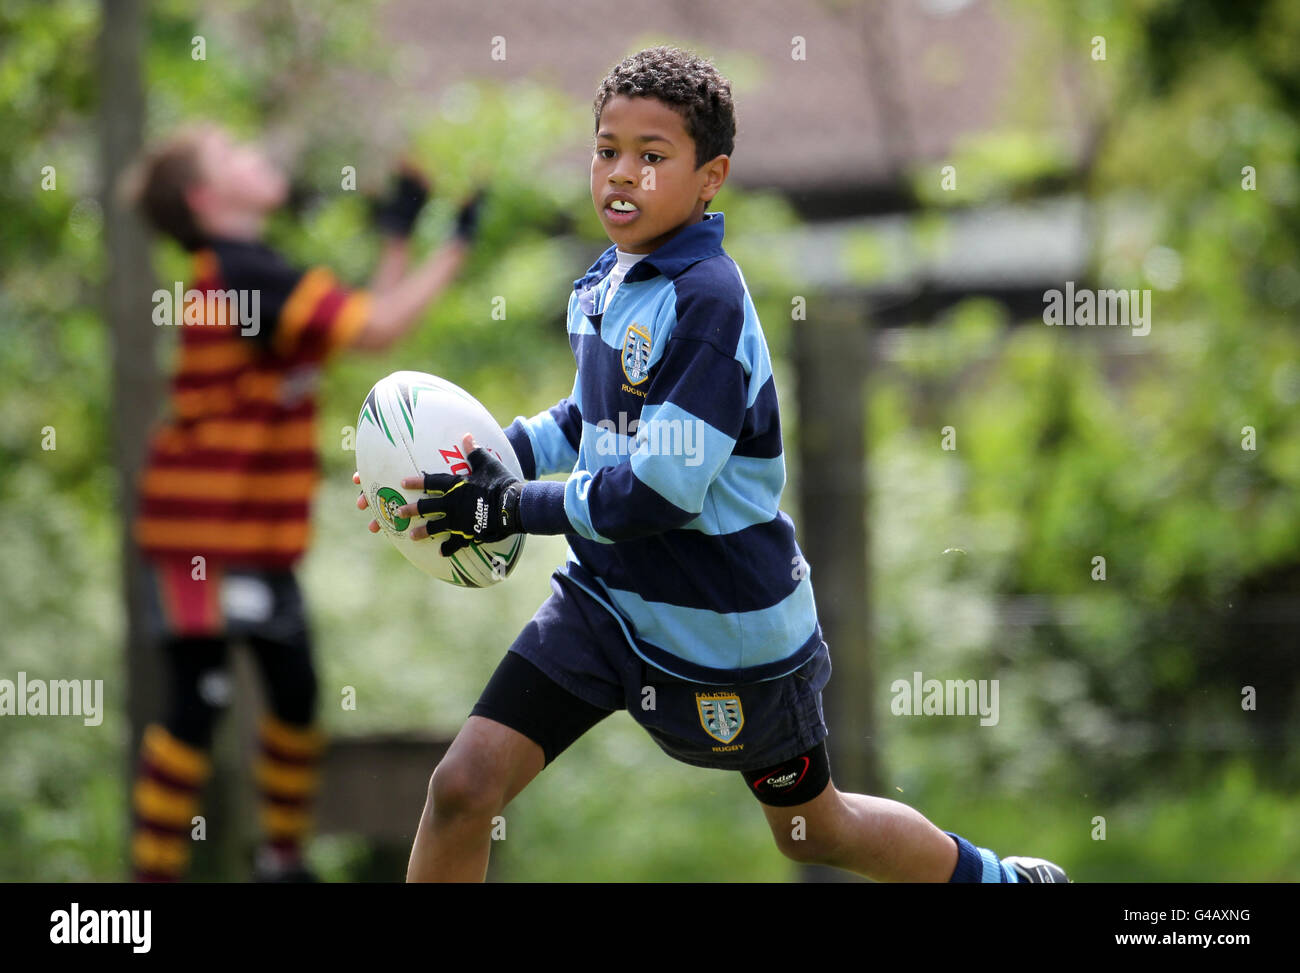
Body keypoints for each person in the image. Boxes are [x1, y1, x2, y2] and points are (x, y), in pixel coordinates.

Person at [358, 46, 1068, 883]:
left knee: (815, 831)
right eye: (607, 150)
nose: (623, 174)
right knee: (462, 787)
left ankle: (996, 879)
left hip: (728, 632)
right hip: (607, 605)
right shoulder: (607, 282)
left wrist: (509, 507)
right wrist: (454, 477)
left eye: (652, 156)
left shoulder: (708, 303)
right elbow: (588, 420)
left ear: (711, 178)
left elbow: (656, 491)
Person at [125, 122, 484, 881]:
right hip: (203, 537)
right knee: (199, 702)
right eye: (233, 154)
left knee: (294, 694)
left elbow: (359, 320)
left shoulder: (256, 275)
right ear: (206, 198)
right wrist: (456, 244)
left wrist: (397, 236)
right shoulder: (244, 276)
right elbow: (381, 328)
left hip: (255, 536)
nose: (255, 155)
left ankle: (280, 863)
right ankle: (153, 879)